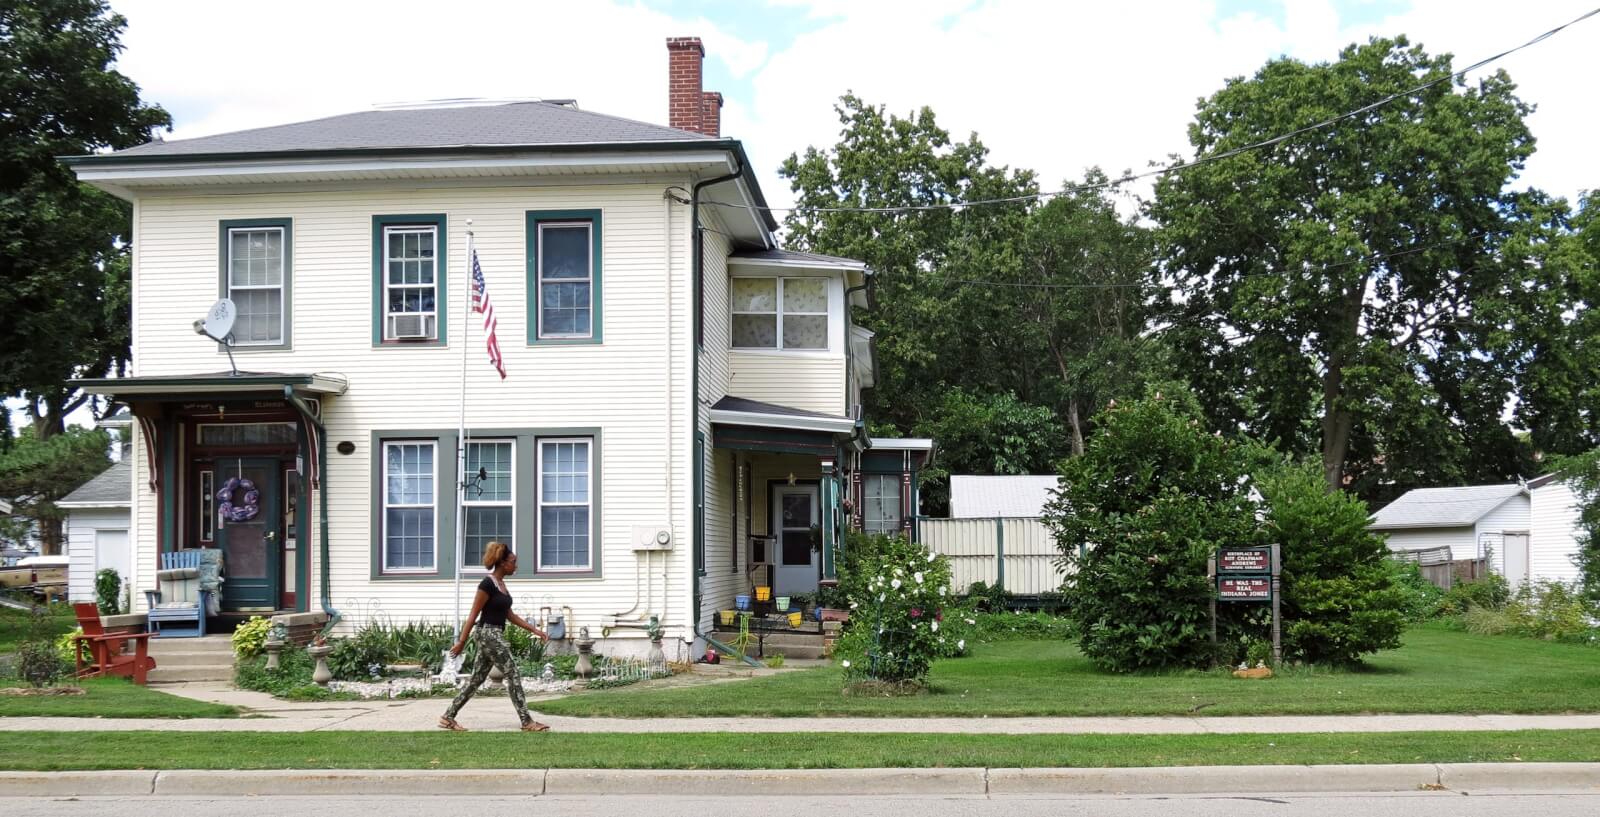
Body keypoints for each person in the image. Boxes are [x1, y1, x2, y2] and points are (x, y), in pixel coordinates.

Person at [439, 541, 550, 731]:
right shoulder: (487, 584)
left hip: (494, 633)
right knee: (513, 673)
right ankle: (527, 721)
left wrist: (535, 630)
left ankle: (448, 717)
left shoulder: (501, 585)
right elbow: (473, 615)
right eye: (513, 562)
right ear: (503, 563)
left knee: (477, 679)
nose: (516, 565)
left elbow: (509, 615)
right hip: (487, 633)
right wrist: (461, 642)